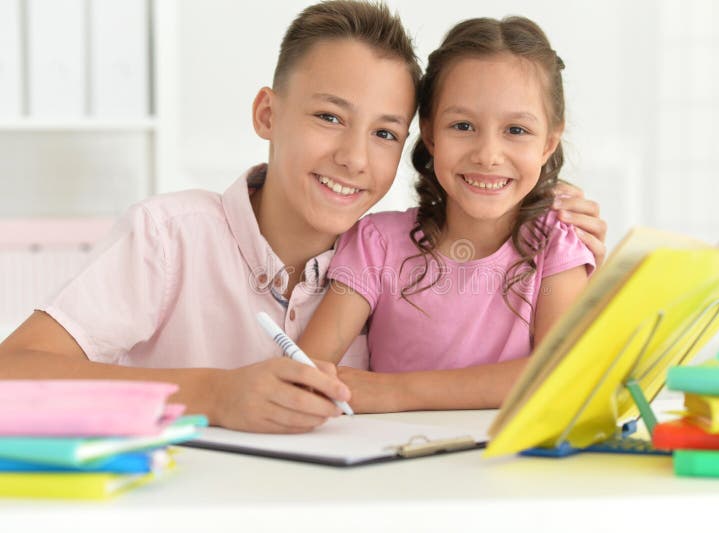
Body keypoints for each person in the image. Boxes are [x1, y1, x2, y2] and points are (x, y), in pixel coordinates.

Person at [0, 1, 605, 433]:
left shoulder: (386, 254)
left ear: (410, 145)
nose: (353, 157)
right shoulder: (169, 238)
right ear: (268, 113)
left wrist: (543, 217)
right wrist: (211, 393)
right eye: (329, 117)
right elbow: (11, 376)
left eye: (385, 132)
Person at [298, 15, 595, 413]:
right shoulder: (376, 244)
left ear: (548, 144)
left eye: (517, 131)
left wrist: (395, 392)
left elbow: (564, 373)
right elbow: (305, 373)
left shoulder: (557, 243)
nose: (488, 154)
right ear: (431, 134)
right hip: (388, 465)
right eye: (463, 125)